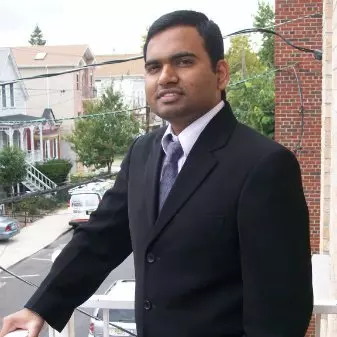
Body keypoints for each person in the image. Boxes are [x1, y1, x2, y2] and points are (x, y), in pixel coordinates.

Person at [0, 10, 313, 337]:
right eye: (153, 67)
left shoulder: (265, 165)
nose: (165, 76)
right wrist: (39, 307)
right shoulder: (143, 153)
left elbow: (280, 312)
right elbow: (100, 239)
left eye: (183, 61)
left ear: (220, 73)